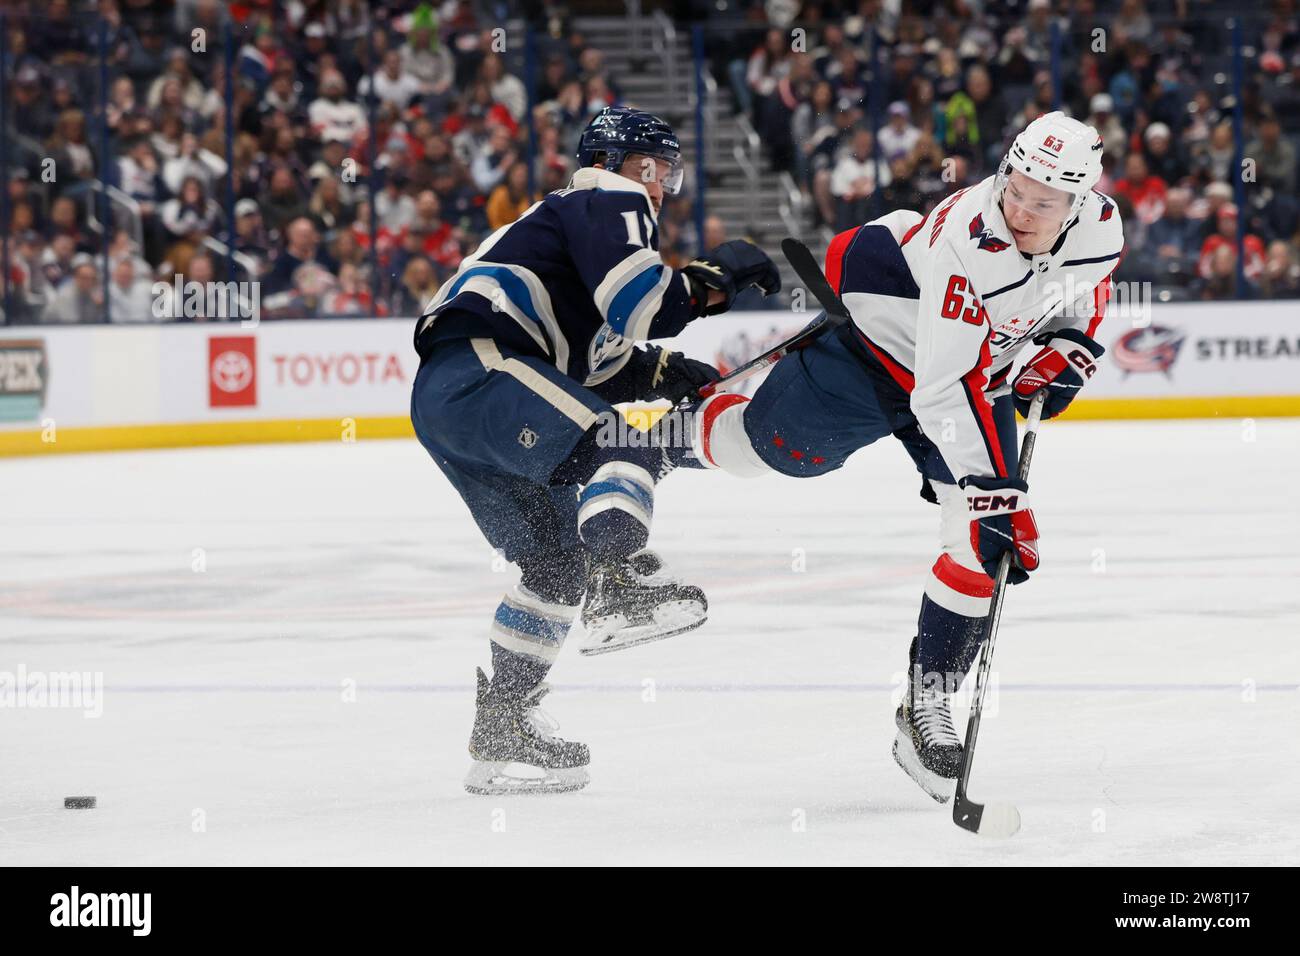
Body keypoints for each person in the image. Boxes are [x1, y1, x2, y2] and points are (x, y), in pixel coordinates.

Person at [687, 112, 1124, 804]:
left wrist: (1073, 347)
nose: (1022, 208)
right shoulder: (969, 239)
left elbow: (1089, 286)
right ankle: (660, 440)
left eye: (1045, 200)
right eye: (1016, 186)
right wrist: (993, 494)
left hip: (966, 377)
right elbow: (943, 390)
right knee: (766, 452)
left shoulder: (1102, 226)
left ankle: (927, 707)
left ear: (1081, 202)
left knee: (984, 544)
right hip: (878, 347)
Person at [410, 107, 780, 795]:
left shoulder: (565, 237)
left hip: (457, 397)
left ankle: (504, 723)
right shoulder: (605, 194)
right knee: (619, 439)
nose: (665, 186)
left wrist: (662, 371)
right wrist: (711, 281)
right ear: (631, 162)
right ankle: (618, 587)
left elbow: (604, 355)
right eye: (662, 169)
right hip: (482, 369)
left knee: (552, 566)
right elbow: (643, 303)